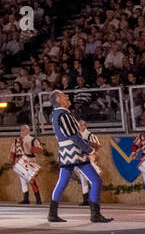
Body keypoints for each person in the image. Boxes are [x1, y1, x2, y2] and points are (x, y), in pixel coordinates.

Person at [47, 90, 112, 224]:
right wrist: (89, 150)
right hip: (74, 151)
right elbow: (74, 137)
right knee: (96, 180)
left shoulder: (55, 114)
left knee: (62, 182)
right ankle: (95, 214)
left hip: (65, 152)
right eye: (64, 96)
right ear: (59, 99)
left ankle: (52, 213)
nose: (67, 97)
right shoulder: (63, 115)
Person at [10, 123, 44, 205]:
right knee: (22, 181)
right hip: (19, 161)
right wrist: (12, 161)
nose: (22, 131)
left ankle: (38, 199)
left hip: (29, 160)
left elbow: (40, 150)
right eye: (21, 129)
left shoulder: (32, 139)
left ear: (28, 130)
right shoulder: (17, 140)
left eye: (24, 129)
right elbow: (12, 151)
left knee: (31, 179)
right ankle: (26, 199)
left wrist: (32, 149)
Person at [75, 119, 103, 208]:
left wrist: (93, 153)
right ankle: (85, 199)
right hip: (81, 158)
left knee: (92, 179)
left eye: (82, 125)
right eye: (79, 125)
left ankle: (92, 199)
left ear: (84, 126)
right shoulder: (77, 135)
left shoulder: (90, 135)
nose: (80, 127)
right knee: (83, 180)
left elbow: (97, 146)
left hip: (89, 157)